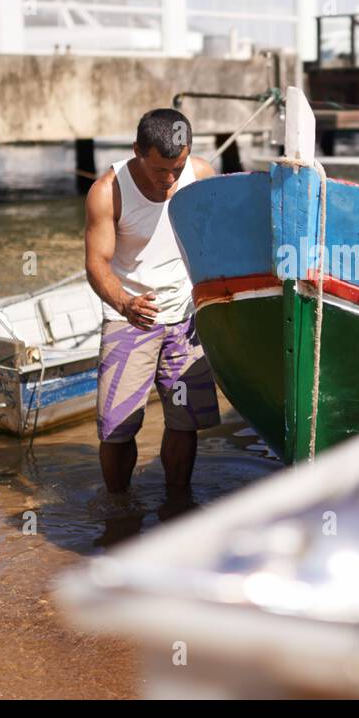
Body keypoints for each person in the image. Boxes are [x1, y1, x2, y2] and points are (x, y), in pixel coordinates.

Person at [84, 108, 220, 492]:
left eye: (176, 168)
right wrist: (125, 303)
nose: (170, 179)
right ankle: (118, 505)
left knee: (184, 418)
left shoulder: (201, 175)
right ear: (137, 152)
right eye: (160, 170)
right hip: (130, 317)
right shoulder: (108, 191)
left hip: (186, 318)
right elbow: (96, 264)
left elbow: (218, 236)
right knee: (117, 427)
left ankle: (178, 500)